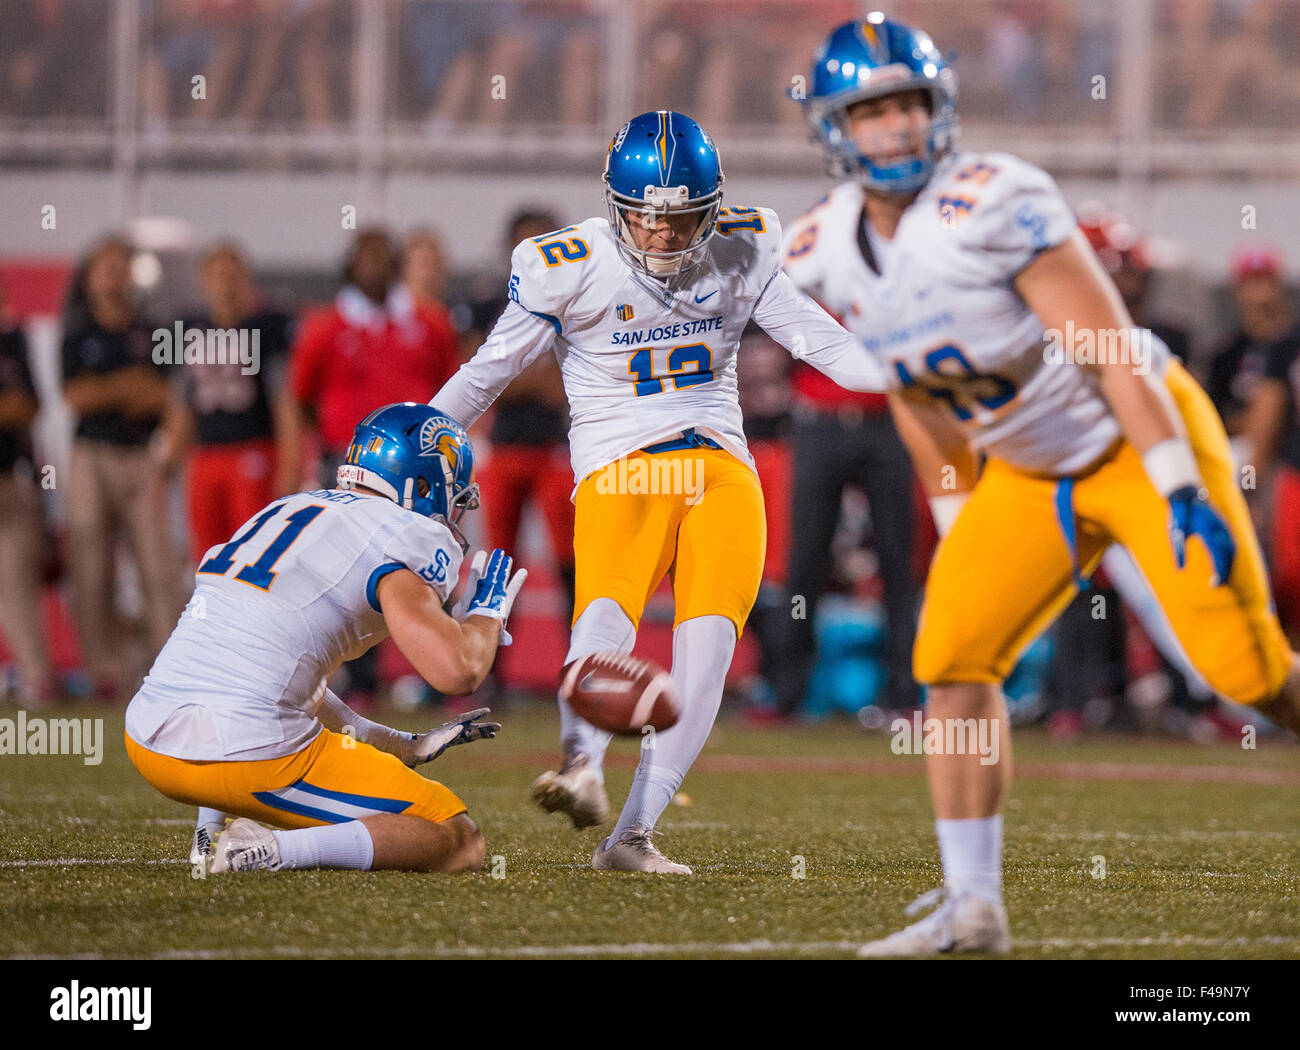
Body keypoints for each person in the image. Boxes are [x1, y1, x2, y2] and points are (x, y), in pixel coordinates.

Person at [788, 16, 1300, 954]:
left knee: (1247, 677)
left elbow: (1109, 354)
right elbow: (911, 385)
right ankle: (974, 908)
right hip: (1025, 474)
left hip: (1131, 440)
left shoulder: (995, 198)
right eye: (872, 111)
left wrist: (1180, 481)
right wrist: (956, 511)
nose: (896, 128)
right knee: (950, 660)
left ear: (938, 110)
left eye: (908, 104)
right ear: (834, 128)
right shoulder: (820, 249)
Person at [431, 109, 889, 873]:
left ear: (710, 212)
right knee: (606, 611)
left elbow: (821, 342)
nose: (664, 236)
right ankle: (580, 765)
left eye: (682, 220)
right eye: (645, 218)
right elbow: (488, 372)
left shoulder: (742, 250)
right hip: (623, 463)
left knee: (707, 648)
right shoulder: (568, 262)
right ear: (615, 206)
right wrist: (421, 436)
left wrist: (920, 377)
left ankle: (634, 834)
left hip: (720, 465)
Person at [125, 402, 525, 874]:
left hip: (147, 738)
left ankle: (207, 834)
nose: (454, 510)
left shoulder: (288, 507)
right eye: (453, 494)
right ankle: (266, 853)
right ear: (422, 486)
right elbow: (457, 671)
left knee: (248, 673)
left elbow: (275, 665)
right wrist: (486, 615)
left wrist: (398, 743)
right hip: (244, 755)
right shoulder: (407, 532)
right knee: (457, 837)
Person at [280, 228, 460, 705]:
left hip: (419, 468)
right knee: (346, 570)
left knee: (428, 566)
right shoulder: (325, 326)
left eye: (384, 256)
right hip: (349, 462)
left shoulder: (430, 321)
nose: (376, 265)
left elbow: (455, 391)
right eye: (367, 256)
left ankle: (438, 672)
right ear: (351, 264)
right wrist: (306, 458)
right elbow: (298, 399)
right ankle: (358, 679)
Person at [60, 236, 186, 701]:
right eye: (105, 266)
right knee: (90, 567)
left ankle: (170, 671)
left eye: (121, 265)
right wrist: (131, 385)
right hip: (90, 457)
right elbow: (77, 397)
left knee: (160, 568)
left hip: (142, 456)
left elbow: (170, 401)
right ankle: (105, 673)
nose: (114, 274)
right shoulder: (78, 330)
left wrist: (166, 457)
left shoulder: (152, 330)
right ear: (90, 276)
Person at [170, 242, 294, 561]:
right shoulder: (190, 329)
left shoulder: (267, 327)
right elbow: (184, 400)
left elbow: (283, 398)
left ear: (246, 279)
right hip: (205, 453)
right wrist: (170, 453)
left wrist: (290, 459)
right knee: (208, 554)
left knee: (253, 549)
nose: (225, 284)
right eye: (217, 276)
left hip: (252, 448)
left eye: (232, 275)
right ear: (204, 281)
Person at [0, 276, 55, 707]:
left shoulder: (13, 340)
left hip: (12, 476)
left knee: (17, 583)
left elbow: (28, 406)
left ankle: (37, 679)